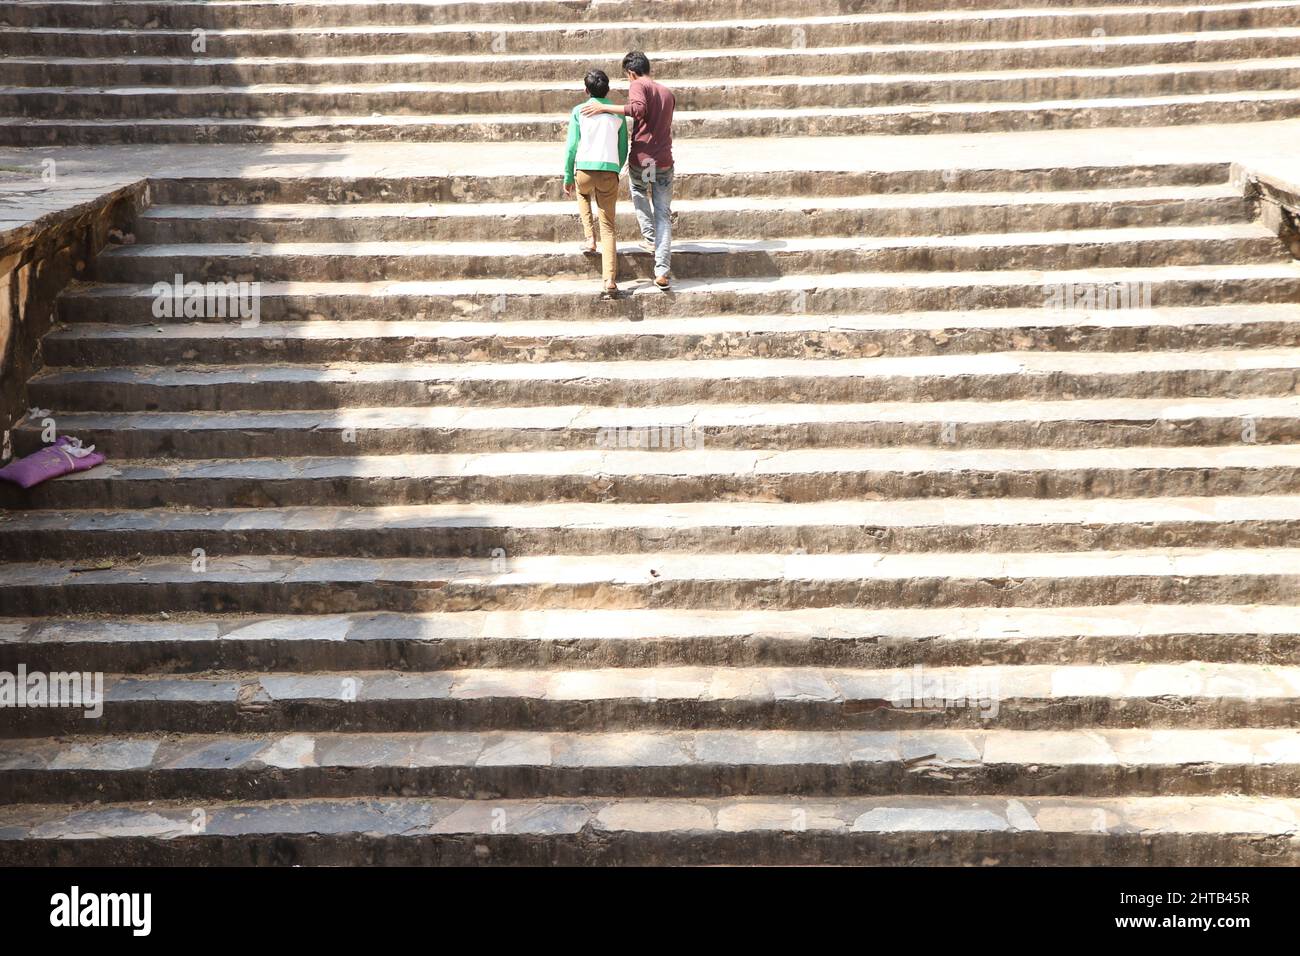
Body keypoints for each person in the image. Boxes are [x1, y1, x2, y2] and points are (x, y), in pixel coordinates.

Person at [582, 51, 675, 290]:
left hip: (646, 161)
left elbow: (638, 109)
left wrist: (606, 109)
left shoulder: (637, 86)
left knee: (639, 192)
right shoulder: (667, 93)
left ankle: (651, 238)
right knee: (663, 213)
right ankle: (662, 271)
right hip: (663, 161)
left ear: (631, 72)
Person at [563, 69, 629, 299]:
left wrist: (568, 176)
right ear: (608, 89)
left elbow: (572, 147)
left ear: (586, 90)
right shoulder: (617, 114)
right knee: (609, 227)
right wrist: (615, 169)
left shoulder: (578, 112)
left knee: (582, 194)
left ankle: (589, 238)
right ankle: (610, 279)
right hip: (609, 171)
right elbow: (624, 148)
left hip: (584, 169)